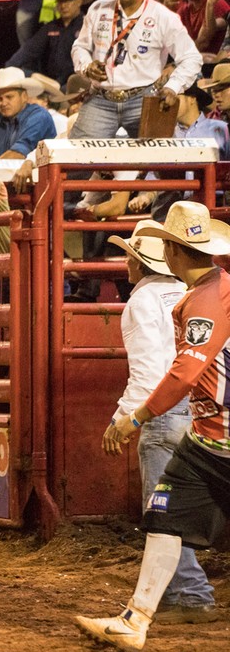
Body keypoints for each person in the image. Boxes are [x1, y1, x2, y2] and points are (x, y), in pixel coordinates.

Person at [77, 202, 230, 650]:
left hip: (217, 435)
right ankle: (136, 618)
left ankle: (140, 617)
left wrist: (136, 417)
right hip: (205, 436)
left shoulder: (202, 300)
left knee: (164, 516)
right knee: (163, 515)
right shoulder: (217, 290)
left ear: (173, 250)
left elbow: (186, 371)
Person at [100, 223, 217, 623]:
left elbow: (151, 371)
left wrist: (125, 419)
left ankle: (189, 592)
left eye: (130, 254)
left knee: (165, 511)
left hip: (167, 412)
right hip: (205, 413)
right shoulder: (196, 293)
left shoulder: (142, 302)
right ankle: (176, 593)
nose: (126, 261)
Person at [70, 0, 201, 139]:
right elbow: (80, 47)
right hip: (101, 96)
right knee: (77, 160)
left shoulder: (163, 17)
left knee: (163, 161)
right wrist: (87, 66)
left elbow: (191, 57)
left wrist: (173, 87)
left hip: (145, 97)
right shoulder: (98, 9)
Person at [11, 0, 94, 87]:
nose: (63, 5)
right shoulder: (50, 27)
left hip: (78, 83)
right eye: (60, 1)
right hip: (52, 83)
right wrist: (10, 68)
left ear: (79, 2)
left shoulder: (88, 25)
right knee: (19, 72)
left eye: (68, 0)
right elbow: (27, 52)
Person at [0, 68, 58, 159]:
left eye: (9, 97)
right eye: (0, 98)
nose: (3, 103)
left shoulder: (38, 115)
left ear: (24, 97)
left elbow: (19, 153)